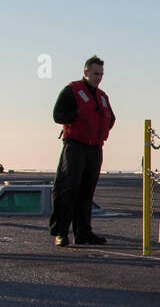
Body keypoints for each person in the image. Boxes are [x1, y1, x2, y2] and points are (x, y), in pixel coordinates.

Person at [49, 56, 115, 247]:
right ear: (86, 72)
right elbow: (57, 114)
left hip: (95, 148)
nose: (99, 77)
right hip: (75, 147)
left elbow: (111, 118)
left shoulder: (102, 96)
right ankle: (60, 232)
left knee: (87, 192)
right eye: (96, 73)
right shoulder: (72, 90)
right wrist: (77, 117)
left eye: (101, 74)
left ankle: (83, 233)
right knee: (66, 189)